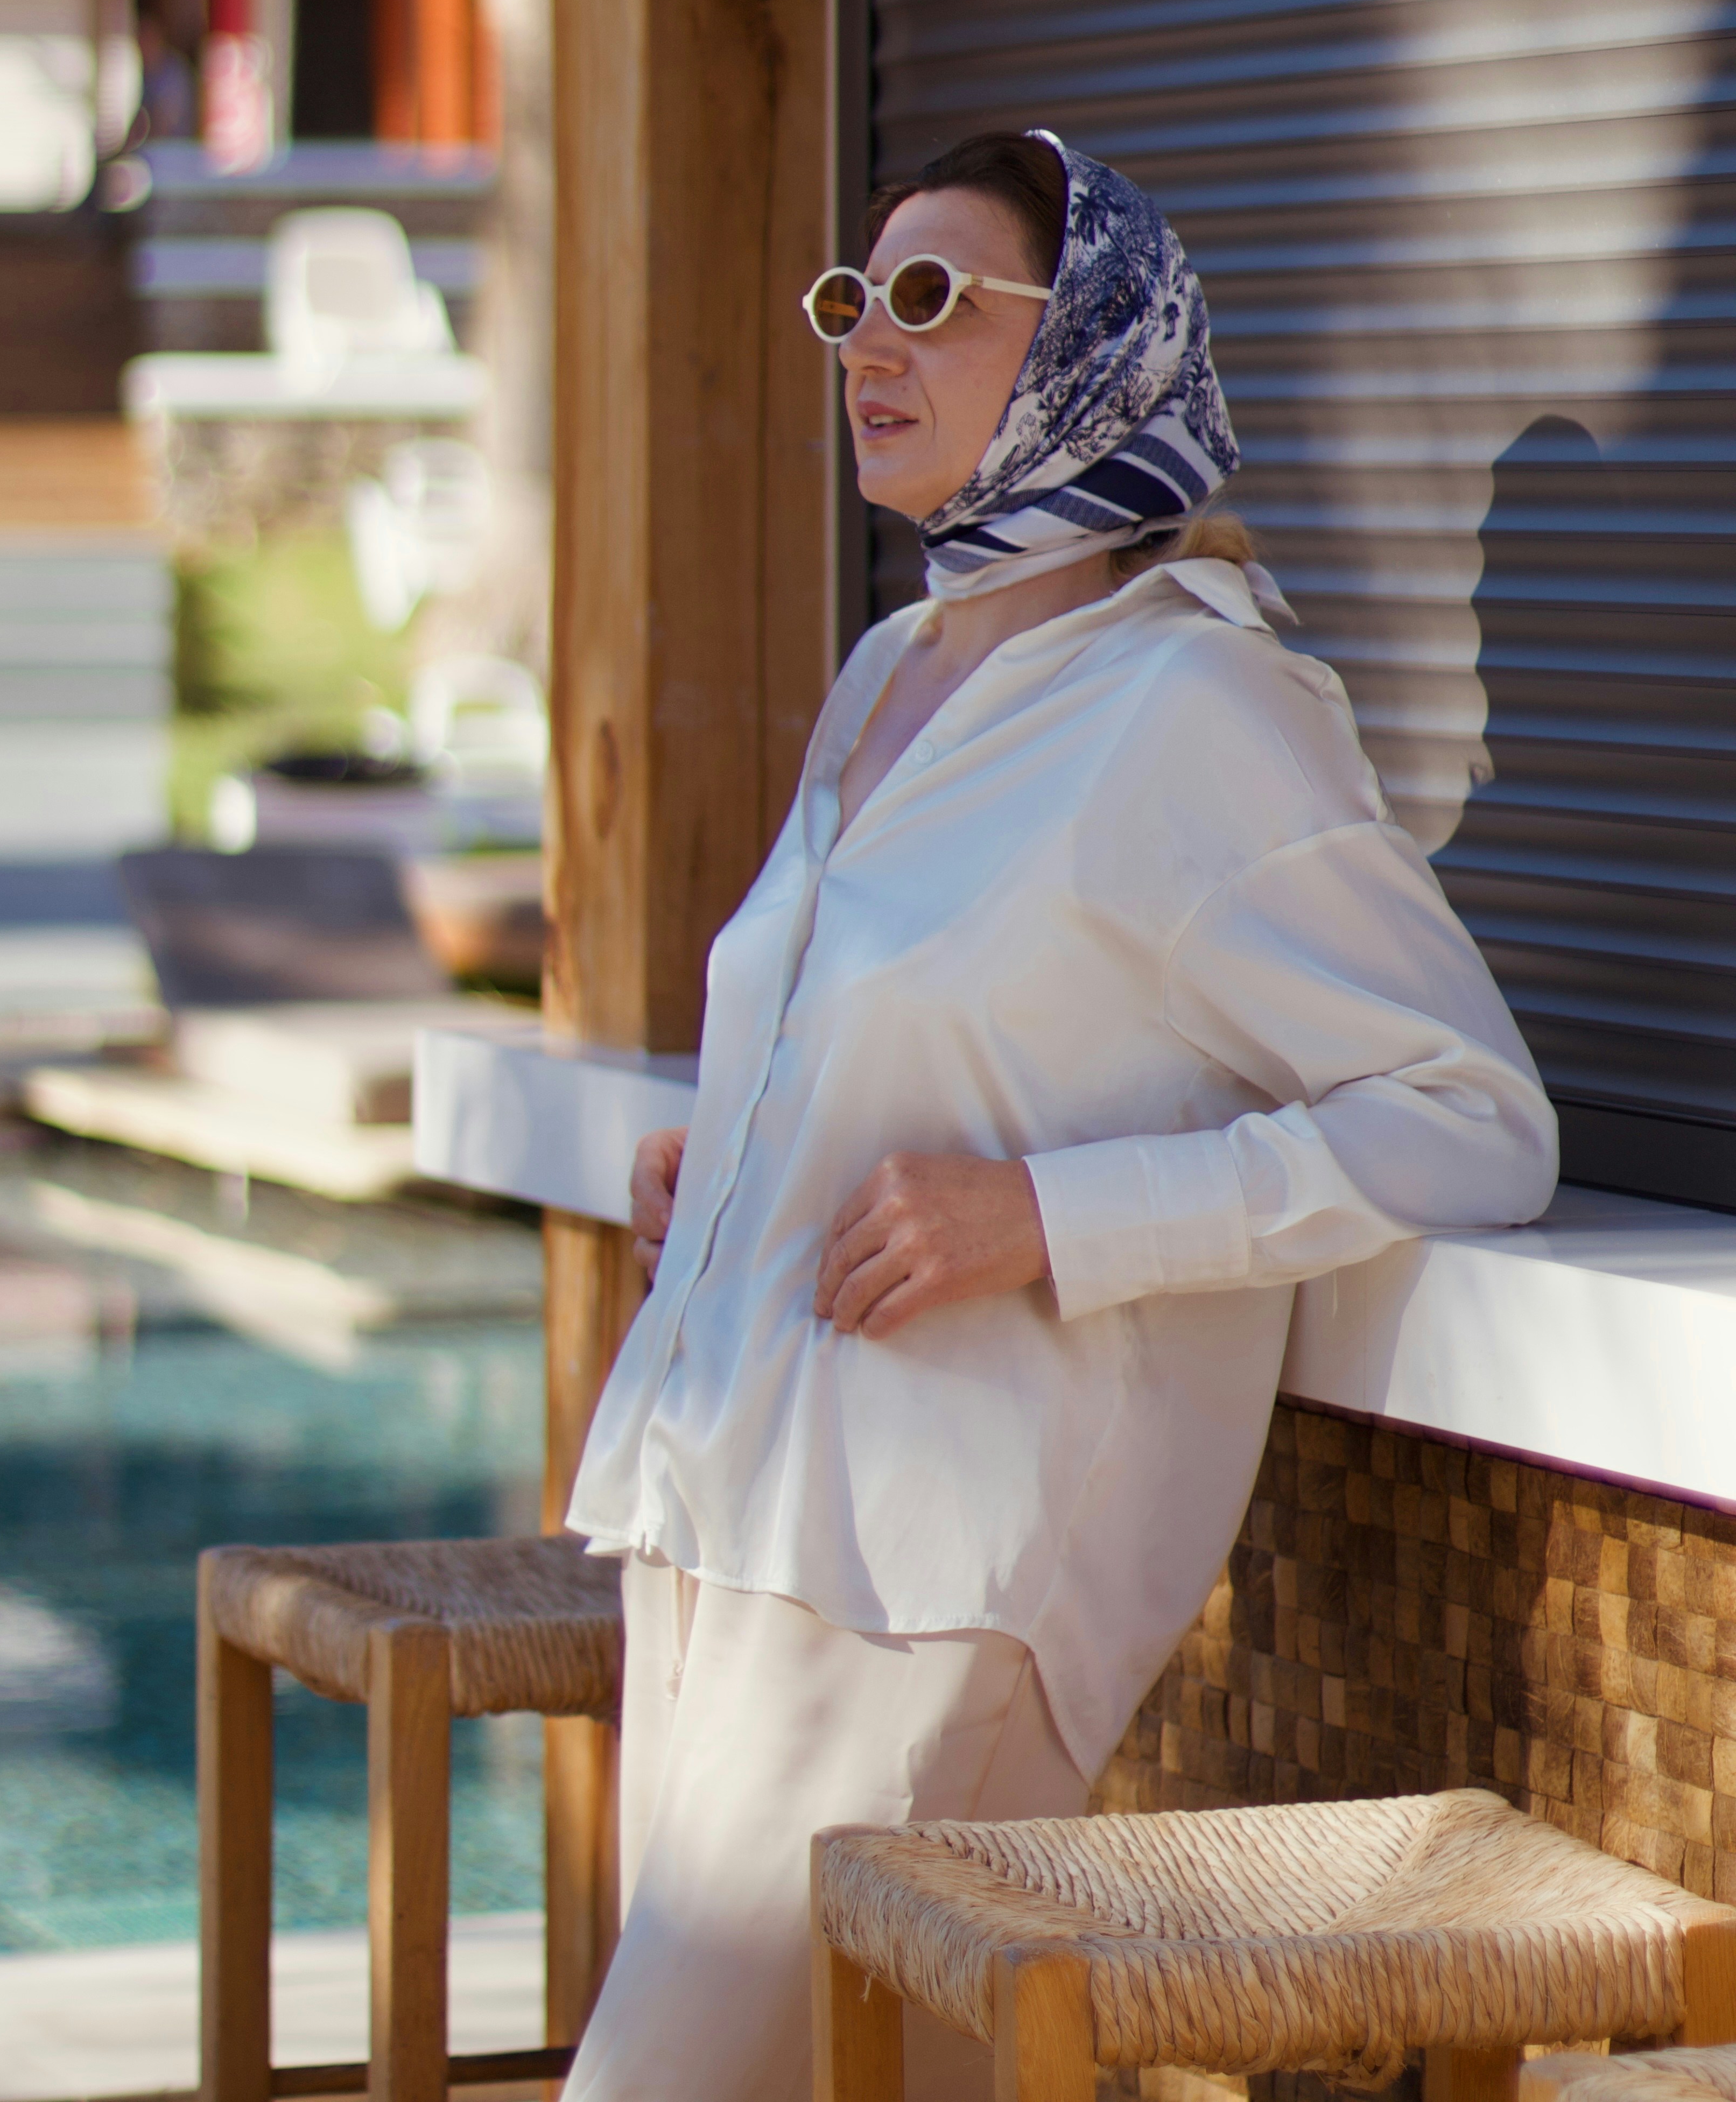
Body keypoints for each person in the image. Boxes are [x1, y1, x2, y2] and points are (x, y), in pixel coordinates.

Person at [559, 127, 1559, 2102]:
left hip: (926, 1580)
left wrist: (1048, 1219)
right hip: (724, 1510)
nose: (870, 340)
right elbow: (899, 1016)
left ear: (1097, 341)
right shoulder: (886, 677)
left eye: (935, 299)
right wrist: (742, 1147)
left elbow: (1471, 1116)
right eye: (853, 299)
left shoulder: (1199, 716)